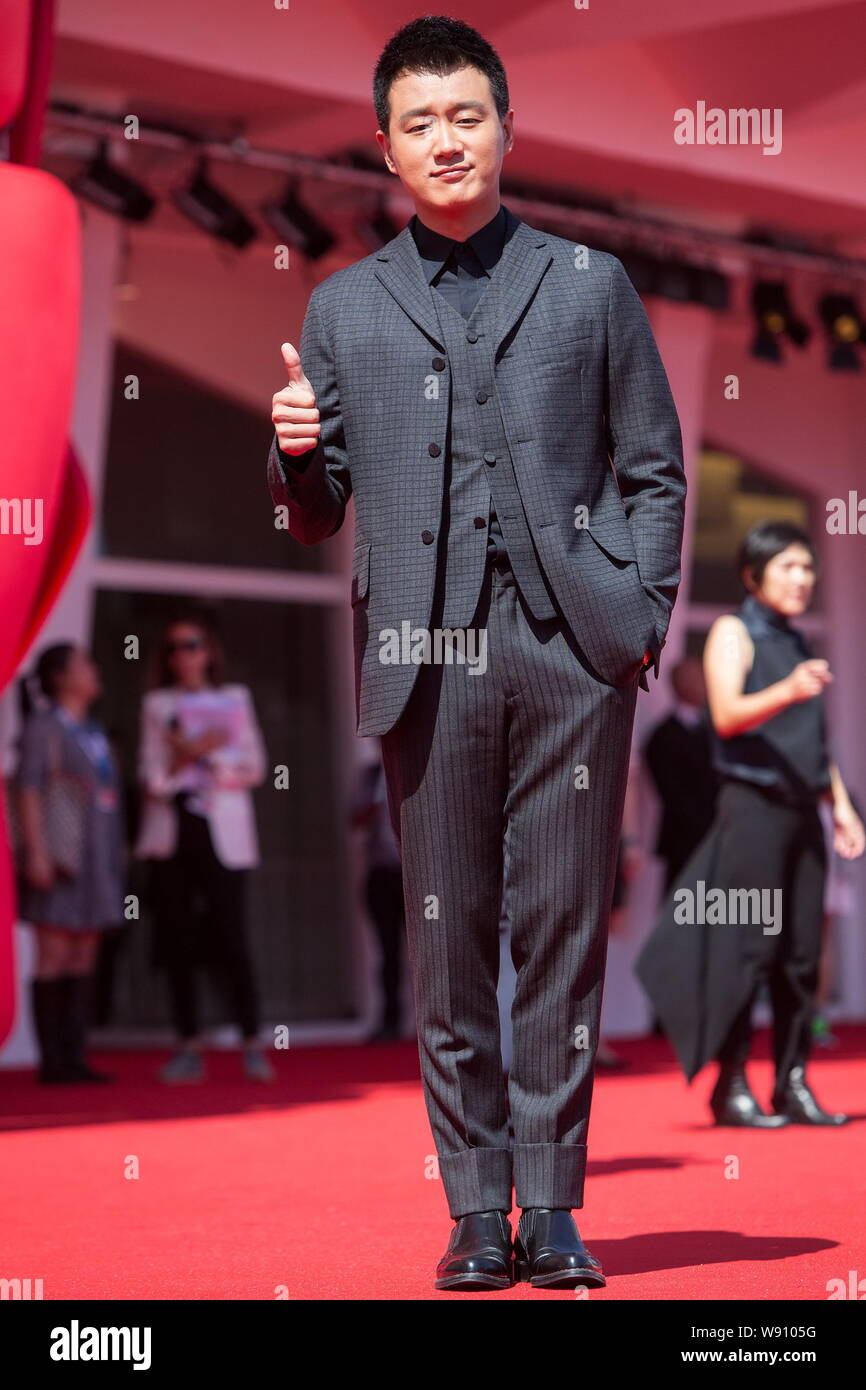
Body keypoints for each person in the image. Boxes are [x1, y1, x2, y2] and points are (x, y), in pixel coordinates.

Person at [267, 17, 685, 1289]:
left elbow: (656, 470)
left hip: (572, 653)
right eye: (418, 124)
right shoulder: (341, 310)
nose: (445, 140)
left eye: (465, 115)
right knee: (447, 942)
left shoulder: (588, 283)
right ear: (387, 149)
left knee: (560, 930)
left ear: (505, 126)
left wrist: (637, 610)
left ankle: (551, 1211)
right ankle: (471, 1210)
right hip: (423, 656)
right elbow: (318, 505)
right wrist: (289, 448)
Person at [636, 521, 864, 1128]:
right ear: (752, 574)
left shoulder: (796, 643)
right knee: (747, 948)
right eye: (789, 567)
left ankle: (792, 1082)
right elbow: (728, 715)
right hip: (750, 811)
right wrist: (787, 689)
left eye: (808, 568)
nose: (802, 579)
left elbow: (815, 743)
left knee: (801, 957)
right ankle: (731, 1084)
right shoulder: (733, 632)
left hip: (801, 811)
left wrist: (840, 805)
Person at [134, 612, 273, 1083]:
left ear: (208, 650)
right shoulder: (157, 705)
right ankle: (188, 1043)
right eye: (173, 647)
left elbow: (253, 767)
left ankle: (253, 1042)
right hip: (175, 831)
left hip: (223, 833)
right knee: (178, 939)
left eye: (192, 644)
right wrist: (182, 754)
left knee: (233, 936)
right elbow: (151, 777)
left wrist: (206, 753)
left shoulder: (234, 699)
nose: (183, 654)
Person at [16, 643, 125, 1084]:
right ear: (60, 677)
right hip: (60, 855)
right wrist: (37, 852)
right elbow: (29, 788)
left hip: (96, 853)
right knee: (54, 950)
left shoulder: (93, 730)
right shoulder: (44, 728)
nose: (94, 671)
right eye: (85, 665)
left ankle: (74, 1056)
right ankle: (53, 1061)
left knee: (85, 949)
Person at [643, 658, 718, 891]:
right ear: (679, 685)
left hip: (714, 836)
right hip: (683, 839)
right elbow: (671, 792)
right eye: (697, 679)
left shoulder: (713, 730)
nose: (704, 685)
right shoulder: (663, 736)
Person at [351, 744, 406, 1041]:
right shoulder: (371, 776)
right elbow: (354, 819)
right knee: (387, 953)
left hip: (414, 874)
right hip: (381, 873)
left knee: (425, 957)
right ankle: (390, 1021)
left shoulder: (418, 764)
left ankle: (427, 1024)